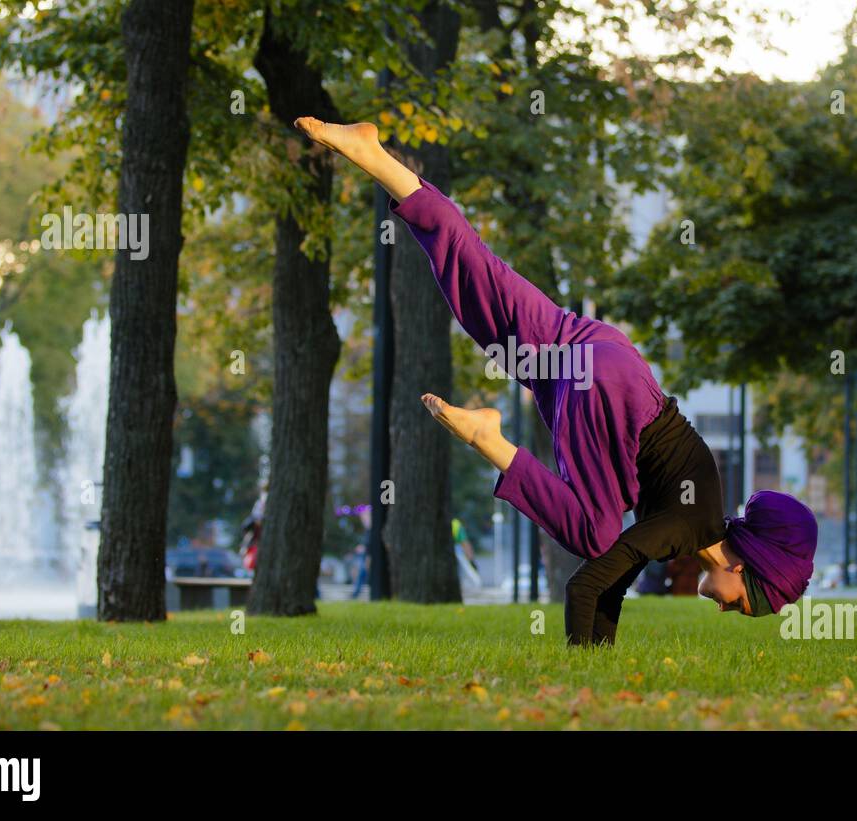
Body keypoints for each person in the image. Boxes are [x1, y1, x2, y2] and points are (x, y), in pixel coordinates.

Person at [295, 118, 819, 645]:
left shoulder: (690, 523)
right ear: (745, 570)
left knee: (478, 281)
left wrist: (603, 657)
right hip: (609, 392)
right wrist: (581, 678)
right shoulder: (692, 525)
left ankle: (372, 155)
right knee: (596, 532)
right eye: (746, 605)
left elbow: (611, 586)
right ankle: (490, 440)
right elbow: (585, 585)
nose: (731, 611)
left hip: (602, 356)